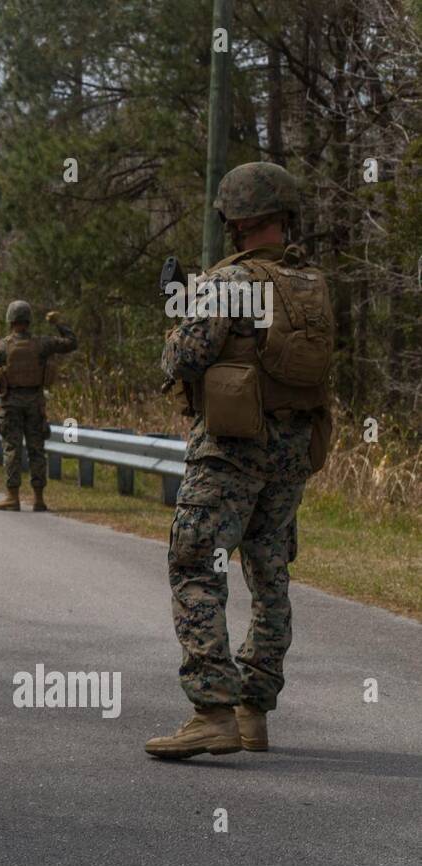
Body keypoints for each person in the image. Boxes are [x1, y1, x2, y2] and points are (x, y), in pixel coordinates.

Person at [146, 162, 334, 759]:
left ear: (237, 218)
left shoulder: (228, 282)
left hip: (229, 450)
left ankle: (211, 711)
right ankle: (254, 711)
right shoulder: (311, 282)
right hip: (290, 453)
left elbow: (184, 361)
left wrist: (176, 324)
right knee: (269, 576)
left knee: (195, 565)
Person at [0, 303, 77, 512]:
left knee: (12, 449)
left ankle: (12, 496)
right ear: (28, 320)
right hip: (35, 403)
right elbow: (72, 343)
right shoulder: (42, 344)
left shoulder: (1, 346)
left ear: (10, 320)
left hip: (10, 404)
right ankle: (38, 498)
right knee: (37, 450)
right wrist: (58, 323)